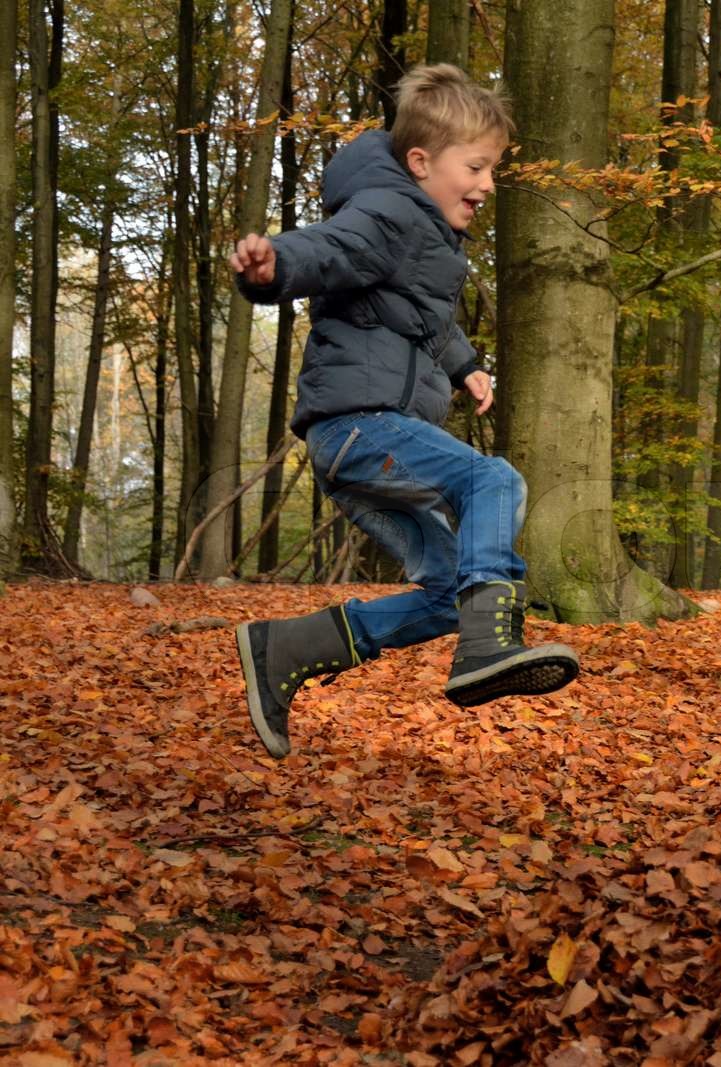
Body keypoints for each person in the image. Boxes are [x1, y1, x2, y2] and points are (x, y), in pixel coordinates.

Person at [229, 64, 578, 760]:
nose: (486, 184)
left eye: (493, 170)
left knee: (446, 592)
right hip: (363, 425)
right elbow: (333, 249)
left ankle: (287, 647)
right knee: (493, 480)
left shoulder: (419, 230)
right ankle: (489, 640)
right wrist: (275, 265)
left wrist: (466, 363)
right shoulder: (389, 213)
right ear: (421, 162)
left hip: (359, 444)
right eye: (475, 167)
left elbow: (419, 319)